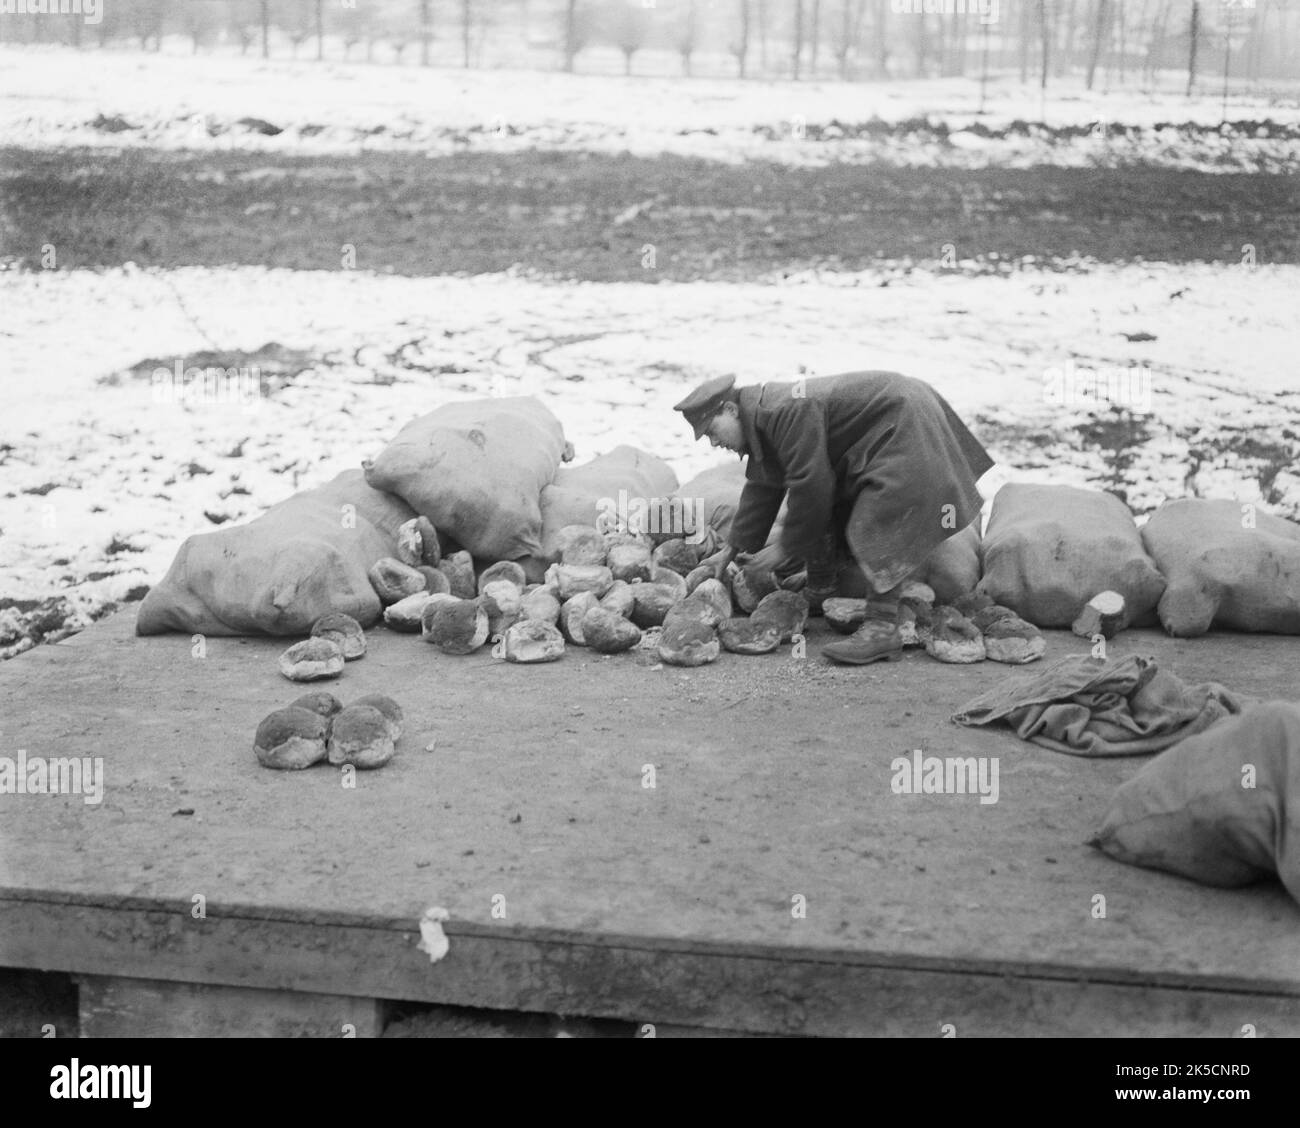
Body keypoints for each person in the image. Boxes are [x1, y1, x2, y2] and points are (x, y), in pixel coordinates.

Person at [673, 371, 994, 665]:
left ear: (730, 409)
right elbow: (764, 486)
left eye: (713, 432)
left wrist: (785, 548)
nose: (715, 443)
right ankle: (821, 589)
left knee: (873, 516)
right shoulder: (764, 417)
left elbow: (812, 485)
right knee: (831, 506)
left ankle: (881, 629)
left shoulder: (784, 410)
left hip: (905, 418)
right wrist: (729, 551)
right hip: (889, 421)